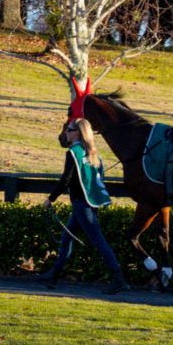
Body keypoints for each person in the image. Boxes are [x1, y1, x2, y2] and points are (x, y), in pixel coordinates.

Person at [41, 117, 130, 294]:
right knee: (67, 238)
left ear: (77, 133)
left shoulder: (73, 152)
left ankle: (118, 278)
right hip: (90, 202)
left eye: (68, 130)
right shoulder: (92, 152)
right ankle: (53, 276)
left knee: (98, 241)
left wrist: (50, 199)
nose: (66, 133)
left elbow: (65, 180)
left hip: (82, 205)